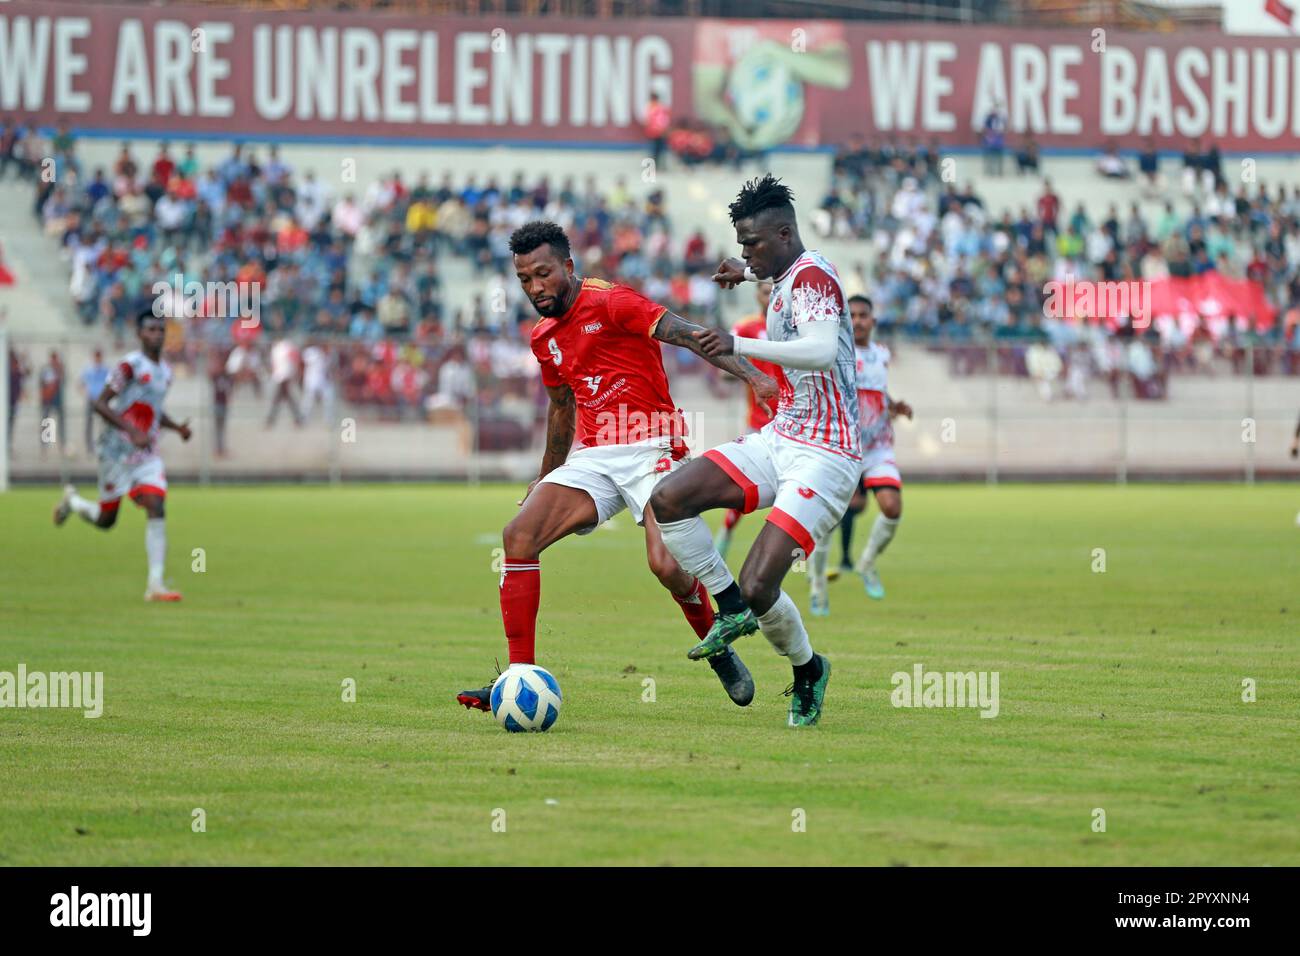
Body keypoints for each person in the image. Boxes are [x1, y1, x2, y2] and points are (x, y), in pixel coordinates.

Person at [455, 221, 777, 714]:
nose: (535, 288)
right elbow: (562, 408)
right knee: (518, 535)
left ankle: (720, 650)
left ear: (568, 266)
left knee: (666, 565)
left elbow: (691, 336)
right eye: (524, 279)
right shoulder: (543, 337)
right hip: (595, 455)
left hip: (653, 445)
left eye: (543, 274)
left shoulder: (612, 302)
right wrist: (545, 474)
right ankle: (520, 673)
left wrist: (754, 376)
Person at [649, 175, 858, 727]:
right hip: (782, 436)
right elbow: (777, 281)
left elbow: (816, 350)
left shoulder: (814, 278)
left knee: (763, 581)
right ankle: (731, 609)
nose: (745, 253)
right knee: (669, 498)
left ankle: (807, 669)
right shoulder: (787, 271)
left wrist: (737, 343)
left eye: (753, 244)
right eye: (741, 246)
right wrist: (747, 272)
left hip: (827, 454)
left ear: (785, 232)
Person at [53, 312, 191, 602]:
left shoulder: (165, 372)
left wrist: (176, 427)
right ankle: (73, 501)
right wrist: (131, 430)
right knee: (106, 520)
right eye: (150, 329)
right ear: (140, 334)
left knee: (157, 504)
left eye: (160, 329)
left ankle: (155, 584)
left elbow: (152, 410)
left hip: (145, 453)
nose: (156, 334)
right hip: (114, 451)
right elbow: (100, 403)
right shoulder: (129, 366)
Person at [812, 295, 911, 608]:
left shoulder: (881, 354)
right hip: (843, 445)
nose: (857, 321)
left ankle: (866, 563)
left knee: (892, 507)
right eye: (851, 315)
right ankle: (817, 586)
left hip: (878, 445)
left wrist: (895, 406)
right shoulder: (837, 352)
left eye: (863, 315)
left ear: (873, 321)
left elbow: (877, 391)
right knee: (827, 520)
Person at [713, 279, 778, 559]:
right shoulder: (746, 328)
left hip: (791, 425)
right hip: (758, 422)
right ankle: (726, 530)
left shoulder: (796, 332)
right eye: (766, 292)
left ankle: (790, 556)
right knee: (744, 486)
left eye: (776, 293)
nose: (771, 298)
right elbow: (723, 365)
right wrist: (744, 373)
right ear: (757, 295)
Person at [79, 348, 109, 454]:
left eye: (99, 355)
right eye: (96, 355)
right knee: (89, 424)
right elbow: (81, 383)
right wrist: (86, 393)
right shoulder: (88, 369)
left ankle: (103, 444)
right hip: (91, 399)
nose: (98, 358)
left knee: (104, 424)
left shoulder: (105, 369)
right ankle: (89, 446)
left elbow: (109, 384)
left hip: (101, 400)